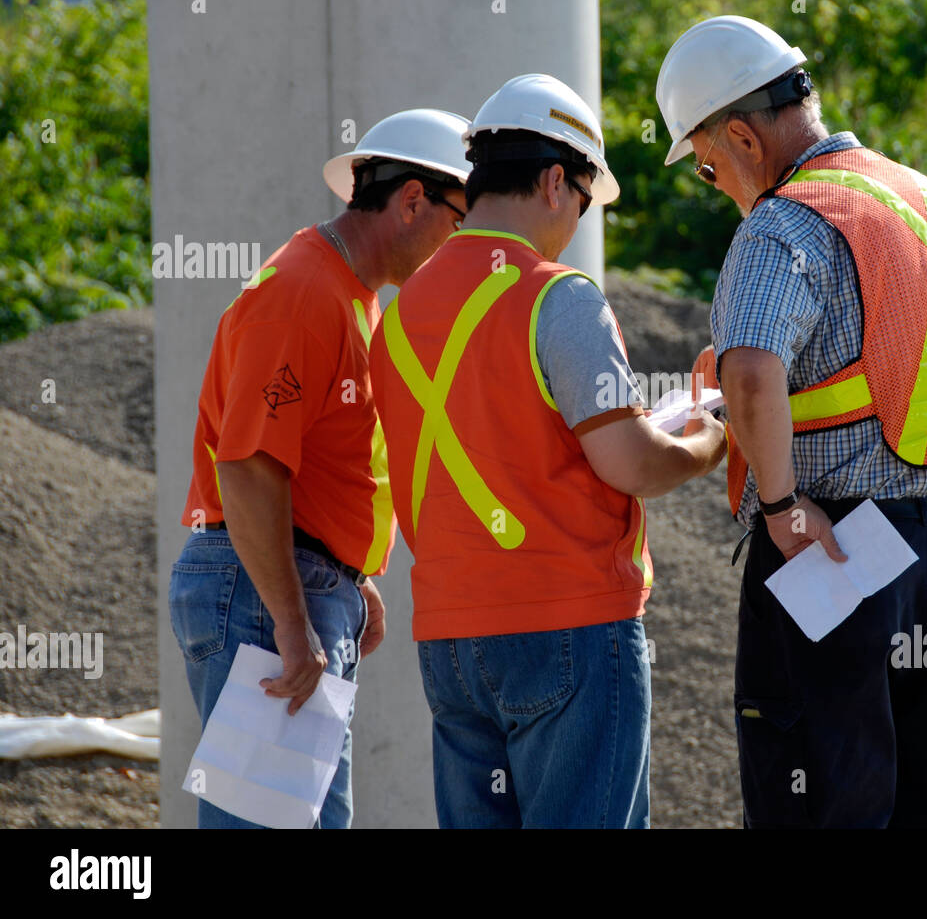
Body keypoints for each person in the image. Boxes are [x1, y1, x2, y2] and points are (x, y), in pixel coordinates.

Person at [657, 16, 927, 828]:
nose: (717, 187)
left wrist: (782, 509)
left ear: (744, 137)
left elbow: (752, 372)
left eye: (709, 168)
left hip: (840, 555)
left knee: (821, 801)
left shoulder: (786, 222)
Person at [369, 74, 727, 828]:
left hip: (451, 641)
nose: (578, 225)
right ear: (556, 181)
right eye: (587, 203)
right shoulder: (558, 296)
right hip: (566, 622)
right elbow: (629, 461)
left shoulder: (398, 318)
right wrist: (704, 443)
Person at [169, 108, 472, 828]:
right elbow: (246, 468)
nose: (460, 246)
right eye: (459, 219)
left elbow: (307, 462)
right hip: (263, 590)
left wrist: (346, 575)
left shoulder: (343, 294)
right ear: (411, 202)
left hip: (283, 582)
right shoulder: (306, 293)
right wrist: (291, 617)